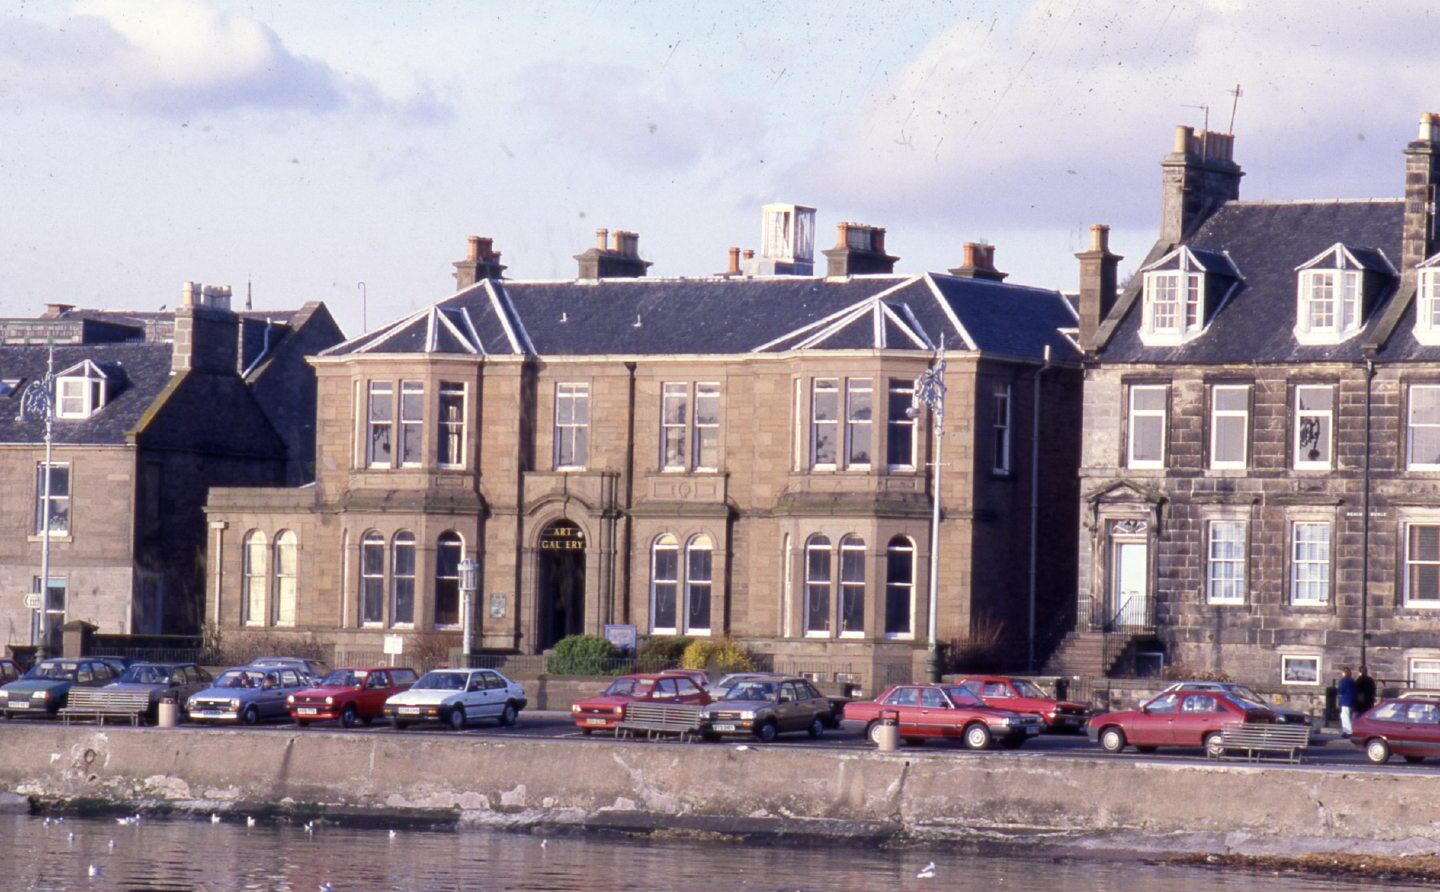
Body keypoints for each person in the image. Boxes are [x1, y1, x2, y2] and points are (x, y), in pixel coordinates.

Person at [1337, 665, 1356, 735]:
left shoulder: (1344, 680)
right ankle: (1347, 730)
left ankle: (1347, 731)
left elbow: (1341, 690)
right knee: (1347, 715)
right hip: (1351, 700)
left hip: (1346, 700)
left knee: (1345, 715)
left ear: (1344, 673)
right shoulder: (1352, 680)